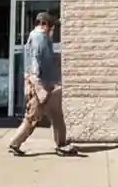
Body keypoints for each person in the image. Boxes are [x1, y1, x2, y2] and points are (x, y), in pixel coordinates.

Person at [8, 11, 77, 157]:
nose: (52, 29)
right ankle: (59, 145)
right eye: (51, 26)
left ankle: (16, 143)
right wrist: (41, 81)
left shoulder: (33, 37)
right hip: (44, 84)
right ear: (44, 24)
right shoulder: (40, 38)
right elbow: (40, 60)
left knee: (45, 116)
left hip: (42, 83)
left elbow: (31, 60)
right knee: (39, 116)